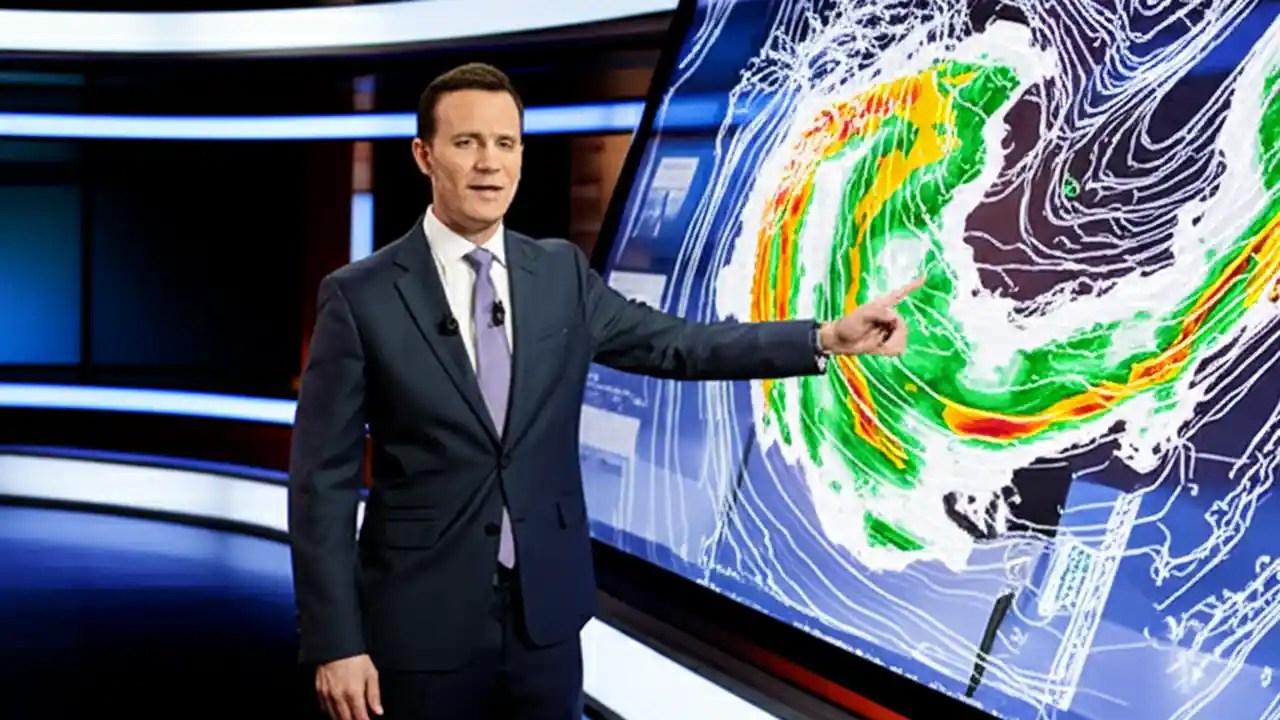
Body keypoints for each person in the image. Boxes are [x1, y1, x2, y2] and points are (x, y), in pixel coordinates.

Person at [287, 62, 923, 720]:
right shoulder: (360, 296)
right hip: (417, 623)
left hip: (547, 621)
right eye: (466, 142)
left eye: (505, 144)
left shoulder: (559, 273)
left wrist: (822, 337)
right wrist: (336, 641)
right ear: (424, 155)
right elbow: (320, 482)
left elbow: (679, 344)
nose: (489, 163)